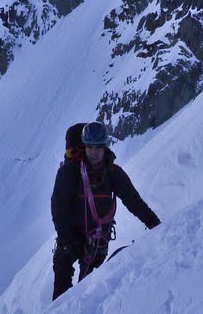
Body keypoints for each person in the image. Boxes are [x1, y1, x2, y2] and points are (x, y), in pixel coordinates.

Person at [50, 121, 159, 300]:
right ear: (84, 146)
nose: (94, 153)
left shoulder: (113, 174)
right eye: (90, 147)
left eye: (98, 147)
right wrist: (70, 240)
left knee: (89, 294)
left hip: (97, 240)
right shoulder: (69, 173)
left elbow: (134, 201)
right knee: (62, 296)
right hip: (70, 240)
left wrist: (153, 222)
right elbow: (58, 209)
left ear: (105, 147)